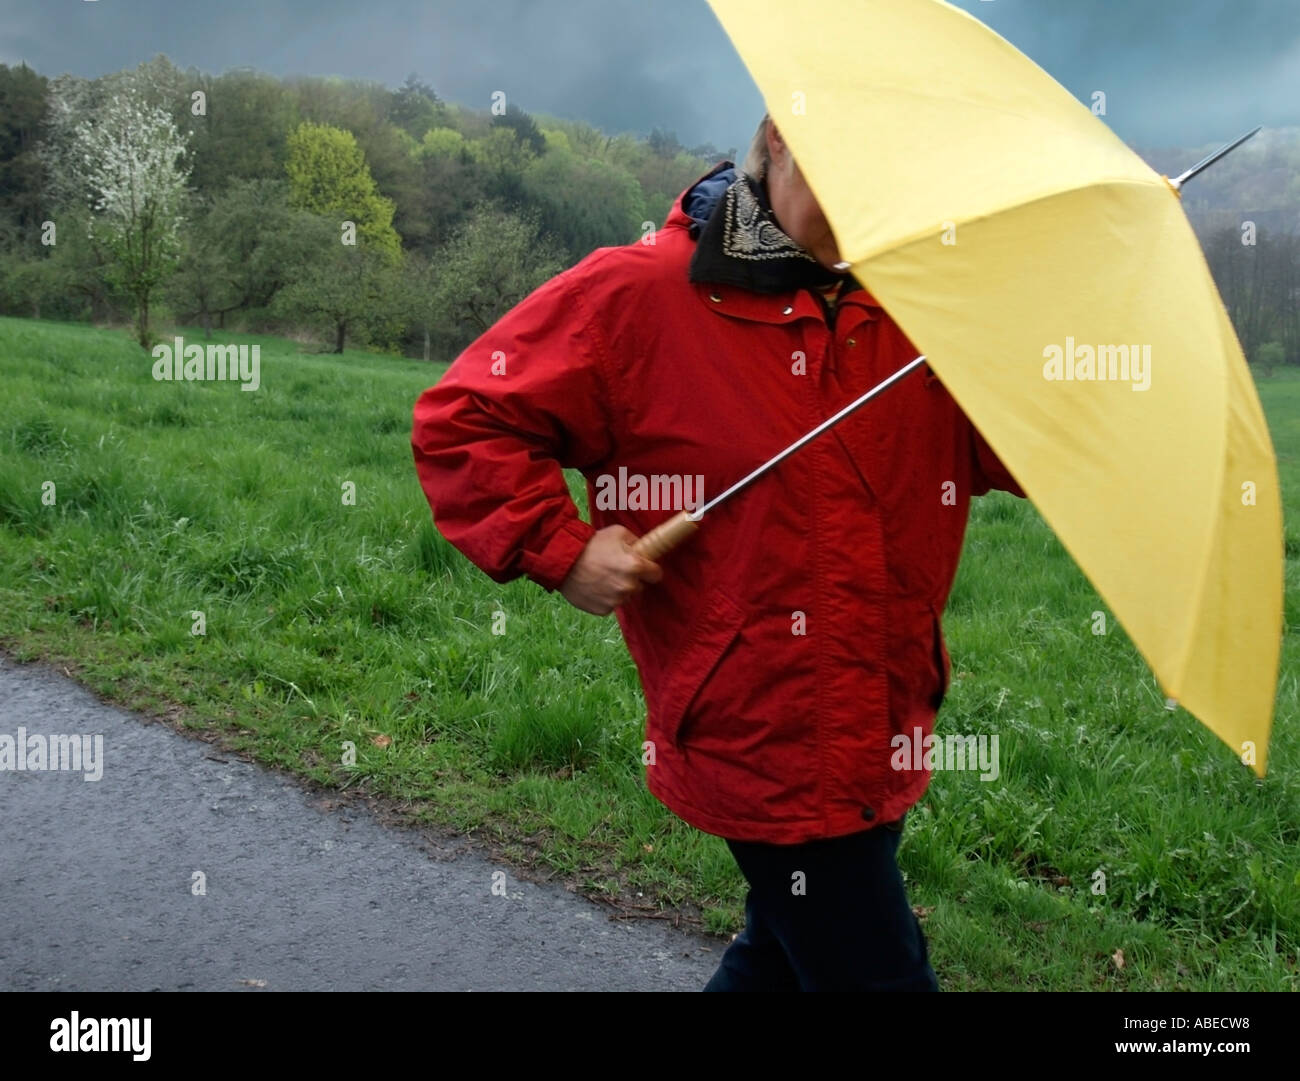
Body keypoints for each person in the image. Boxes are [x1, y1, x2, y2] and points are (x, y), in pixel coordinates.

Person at [411, 114, 1023, 991]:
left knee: (775, 960)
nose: (863, 210)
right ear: (777, 137)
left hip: (884, 710)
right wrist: (562, 549)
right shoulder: (640, 295)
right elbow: (464, 419)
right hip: (758, 728)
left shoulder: (919, 313)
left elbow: (1018, 448)